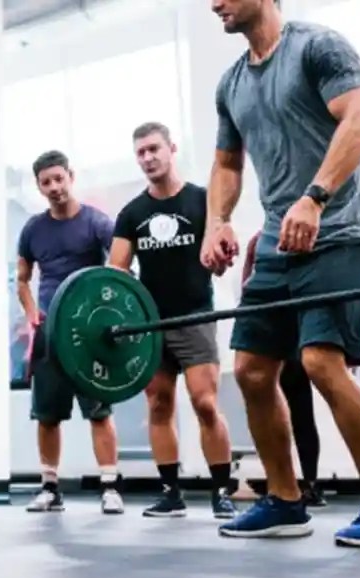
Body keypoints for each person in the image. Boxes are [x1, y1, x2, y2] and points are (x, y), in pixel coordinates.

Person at [201, 0, 360, 547]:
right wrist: (217, 221)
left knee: (320, 361)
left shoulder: (317, 47)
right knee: (250, 370)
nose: (214, 4)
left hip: (339, 230)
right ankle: (285, 500)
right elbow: (227, 163)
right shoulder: (230, 83)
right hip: (278, 239)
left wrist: (315, 198)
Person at [110, 124, 237, 520]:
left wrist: (221, 258)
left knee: (205, 402)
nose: (148, 158)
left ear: (172, 149)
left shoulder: (201, 200)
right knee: (158, 404)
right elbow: (116, 271)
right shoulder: (132, 214)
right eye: (141, 153)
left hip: (196, 314)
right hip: (151, 324)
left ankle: (222, 491)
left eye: (154, 149)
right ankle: (171, 493)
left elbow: (219, 258)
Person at [15, 150, 121, 514]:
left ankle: (110, 487)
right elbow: (23, 279)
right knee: (47, 414)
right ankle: (50, 488)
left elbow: (120, 265)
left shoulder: (96, 222)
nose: (54, 187)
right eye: (46, 182)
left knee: (99, 411)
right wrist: (32, 314)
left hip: (90, 332)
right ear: (39, 187)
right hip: (50, 331)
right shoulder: (33, 229)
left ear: (70, 177)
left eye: (59, 179)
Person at [242, 232, 325, 508]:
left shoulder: (306, 234)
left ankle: (310, 483)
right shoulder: (259, 242)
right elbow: (248, 286)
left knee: (302, 412)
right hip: (270, 335)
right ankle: (278, 483)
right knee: (267, 408)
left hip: (297, 334)